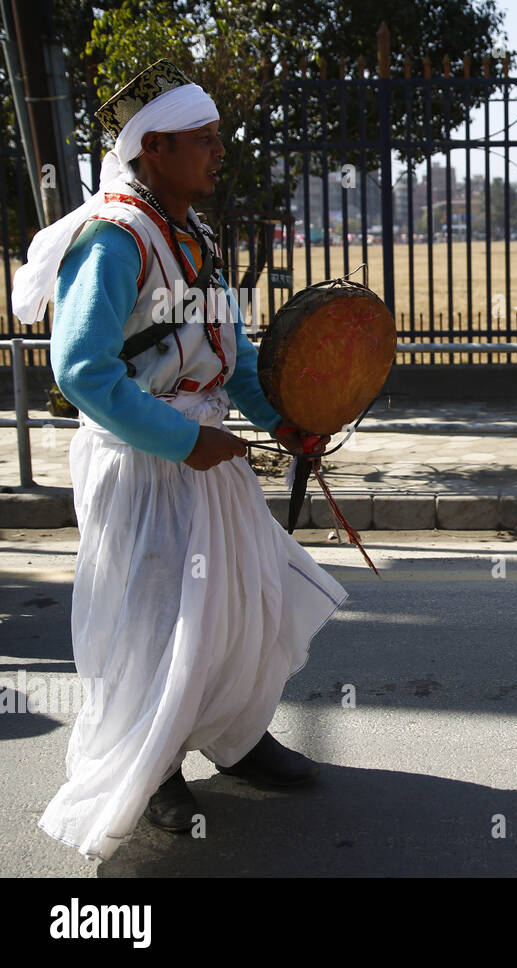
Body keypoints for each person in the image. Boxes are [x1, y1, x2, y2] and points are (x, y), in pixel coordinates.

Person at [10, 60, 345, 860]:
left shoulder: (188, 235)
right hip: (142, 463)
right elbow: (83, 372)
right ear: (154, 147)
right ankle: (152, 768)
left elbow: (231, 353)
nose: (218, 152)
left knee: (241, 607)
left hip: (203, 459)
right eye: (204, 139)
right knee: (153, 621)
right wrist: (186, 441)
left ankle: (237, 736)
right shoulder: (117, 240)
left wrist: (291, 421)